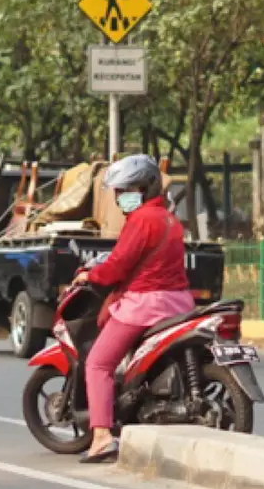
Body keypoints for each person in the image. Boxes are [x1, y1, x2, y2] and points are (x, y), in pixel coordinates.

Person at [71, 154, 194, 463]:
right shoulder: (169, 219)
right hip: (177, 301)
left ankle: (100, 436)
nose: (119, 197)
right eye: (118, 191)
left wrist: (90, 275)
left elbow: (117, 268)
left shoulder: (141, 221)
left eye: (126, 190)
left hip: (144, 304)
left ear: (145, 188)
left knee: (98, 363)